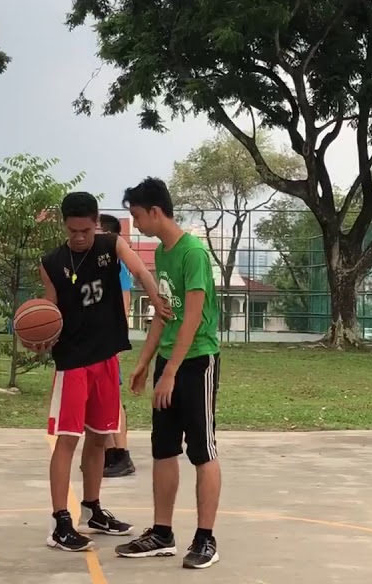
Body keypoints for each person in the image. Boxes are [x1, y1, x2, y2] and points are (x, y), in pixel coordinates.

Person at [37, 193, 167, 553]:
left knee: (99, 437)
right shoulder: (51, 262)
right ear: (64, 225)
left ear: (96, 222)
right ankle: (62, 522)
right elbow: (49, 307)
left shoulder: (112, 244)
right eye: (72, 230)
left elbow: (141, 271)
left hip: (105, 357)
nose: (79, 236)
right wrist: (40, 336)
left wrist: (156, 299)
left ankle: (92, 509)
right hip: (72, 361)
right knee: (67, 440)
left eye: (85, 229)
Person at [116, 177, 222, 570]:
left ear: (155, 212)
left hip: (197, 361)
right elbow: (164, 314)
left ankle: (206, 538)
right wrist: (146, 361)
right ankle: (162, 532)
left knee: (202, 450)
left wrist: (172, 371)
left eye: (137, 215)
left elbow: (192, 319)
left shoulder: (193, 253)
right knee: (163, 448)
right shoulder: (162, 254)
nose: (136, 222)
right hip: (170, 364)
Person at [98, 213, 137, 478]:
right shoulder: (95, 264)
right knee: (101, 400)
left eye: (98, 231)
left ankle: (121, 455)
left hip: (106, 342)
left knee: (113, 399)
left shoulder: (118, 266)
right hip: (92, 342)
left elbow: (123, 307)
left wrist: (112, 342)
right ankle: (110, 453)